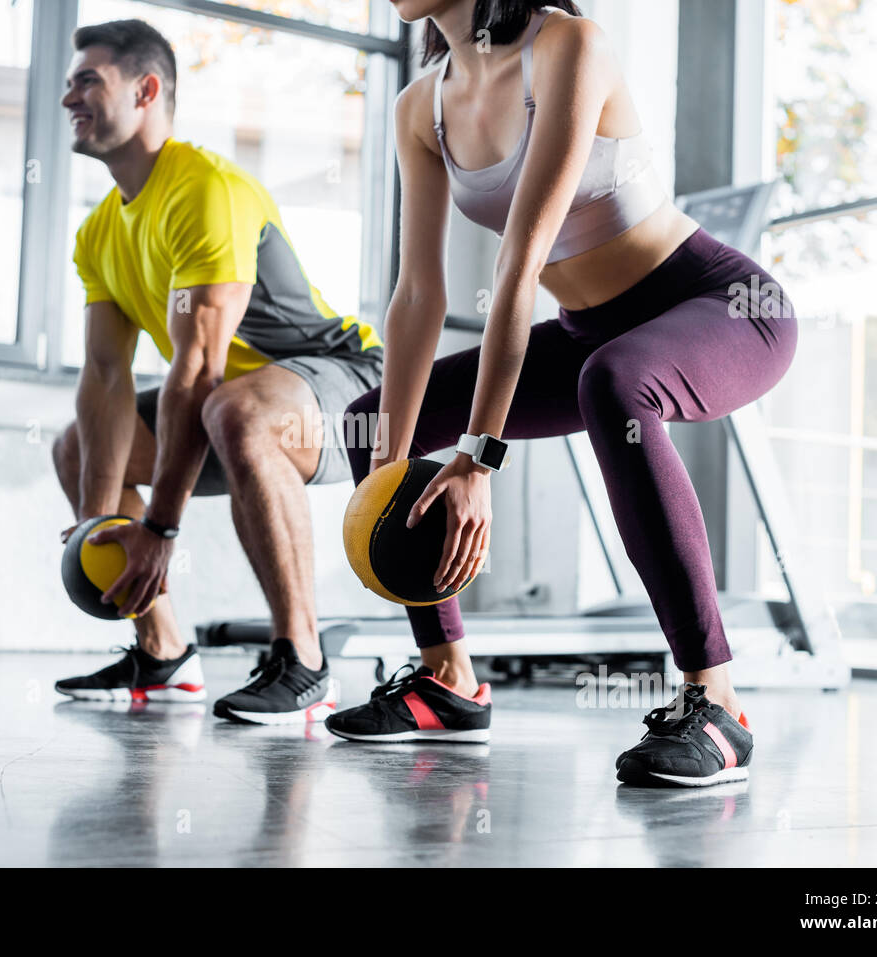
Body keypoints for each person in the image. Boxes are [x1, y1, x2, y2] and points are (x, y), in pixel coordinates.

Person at [326, 0, 794, 787]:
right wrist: (388, 462)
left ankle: (716, 703)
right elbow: (417, 294)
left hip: (718, 306)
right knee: (372, 421)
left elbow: (519, 261)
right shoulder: (421, 106)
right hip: (587, 335)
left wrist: (478, 455)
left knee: (614, 381)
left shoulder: (568, 46)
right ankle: (447, 680)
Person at [52, 19, 385, 724]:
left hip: (351, 389)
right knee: (79, 447)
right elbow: (107, 378)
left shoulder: (204, 188)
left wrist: (161, 529)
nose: (67, 97)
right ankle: (164, 654)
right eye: (70, 80)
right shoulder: (99, 231)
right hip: (233, 404)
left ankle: (304, 657)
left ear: (146, 90)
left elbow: (196, 369)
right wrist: (99, 518)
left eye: (89, 80)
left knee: (234, 408)